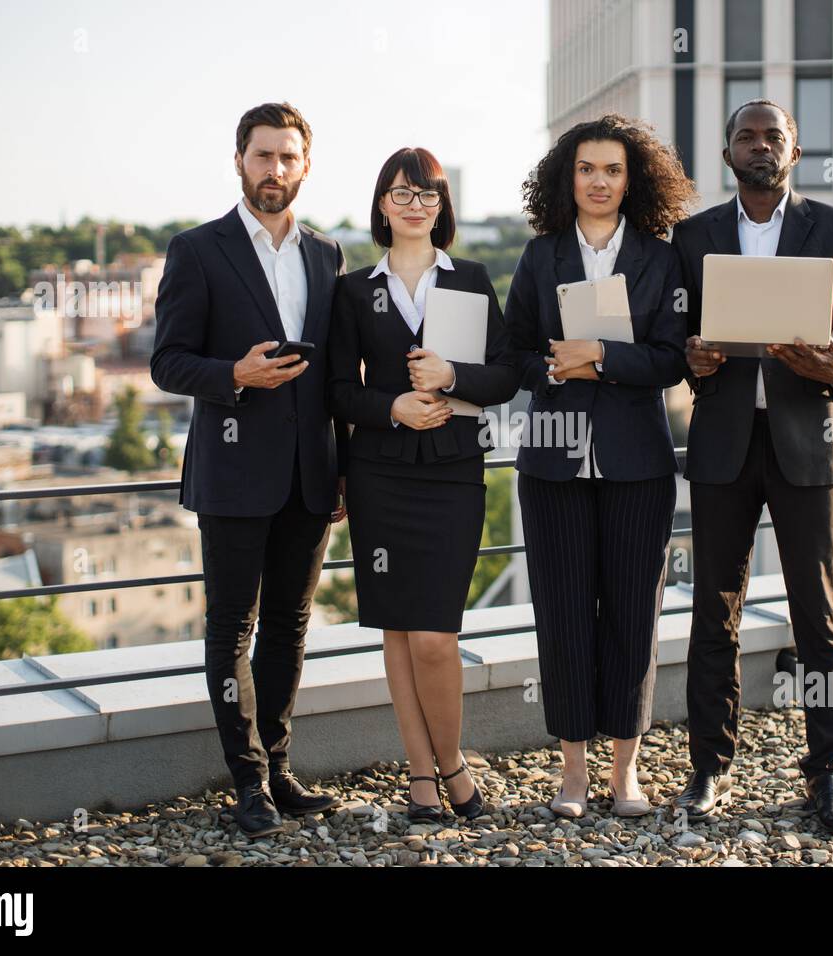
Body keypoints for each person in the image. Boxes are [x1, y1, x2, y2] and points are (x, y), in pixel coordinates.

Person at [672, 99, 833, 832]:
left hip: (807, 443)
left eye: (773, 136)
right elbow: (676, 337)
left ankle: (827, 772)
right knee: (713, 612)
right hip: (724, 446)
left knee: (818, 618)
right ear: (728, 152)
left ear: (794, 151)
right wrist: (691, 357)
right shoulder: (693, 235)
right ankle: (708, 767)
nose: (759, 146)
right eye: (746, 136)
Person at [150, 102, 347, 839]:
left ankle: (282, 768)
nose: (275, 170)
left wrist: (344, 467)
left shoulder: (326, 254)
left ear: (304, 165)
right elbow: (167, 362)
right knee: (233, 625)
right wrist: (233, 374)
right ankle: (248, 783)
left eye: (288, 157)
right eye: (262, 156)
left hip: (311, 474)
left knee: (291, 627)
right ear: (239, 160)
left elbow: (336, 375)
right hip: (233, 470)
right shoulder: (198, 249)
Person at [504, 114, 696, 818]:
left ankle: (625, 775)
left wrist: (604, 357)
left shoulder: (661, 258)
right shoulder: (539, 256)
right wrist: (558, 362)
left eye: (612, 170)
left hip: (637, 466)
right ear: (568, 176)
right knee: (561, 616)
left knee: (631, 618)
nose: (599, 181)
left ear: (631, 179)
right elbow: (512, 353)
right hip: (552, 465)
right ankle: (574, 776)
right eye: (587, 168)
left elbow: (673, 357)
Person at [328, 147, 518, 822]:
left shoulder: (469, 278)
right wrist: (392, 407)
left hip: (453, 475)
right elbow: (336, 391)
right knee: (398, 632)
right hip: (379, 475)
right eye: (402, 194)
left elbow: (506, 375)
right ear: (382, 204)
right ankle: (421, 778)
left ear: (443, 207)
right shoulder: (353, 290)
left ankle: (456, 765)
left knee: (436, 634)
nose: (415, 205)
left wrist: (451, 379)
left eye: (428, 195)